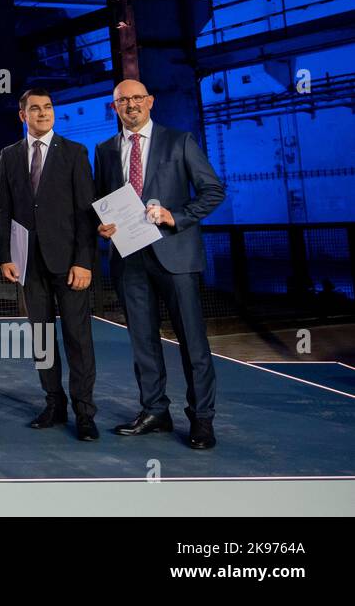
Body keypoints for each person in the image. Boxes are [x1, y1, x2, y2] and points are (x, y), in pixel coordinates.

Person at [94, 79, 226, 449]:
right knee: (143, 342)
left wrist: (176, 216)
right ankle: (155, 411)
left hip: (175, 255)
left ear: (150, 101)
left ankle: (202, 419)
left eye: (137, 98)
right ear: (114, 107)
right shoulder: (104, 150)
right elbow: (100, 200)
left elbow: (213, 190)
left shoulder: (179, 141)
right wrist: (100, 225)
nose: (131, 105)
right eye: (123, 100)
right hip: (129, 258)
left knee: (192, 342)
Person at [0, 89, 99, 441]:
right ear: (22, 115)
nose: (43, 113)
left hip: (69, 264)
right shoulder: (8, 156)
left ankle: (84, 412)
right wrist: (6, 256)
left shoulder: (74, 153)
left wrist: (84, 261)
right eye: (35, 109)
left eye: (48, 107)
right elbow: (3, 210)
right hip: (28, 263)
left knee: (78, 339)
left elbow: (87, 213)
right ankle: (54, 404)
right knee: (41, 338)